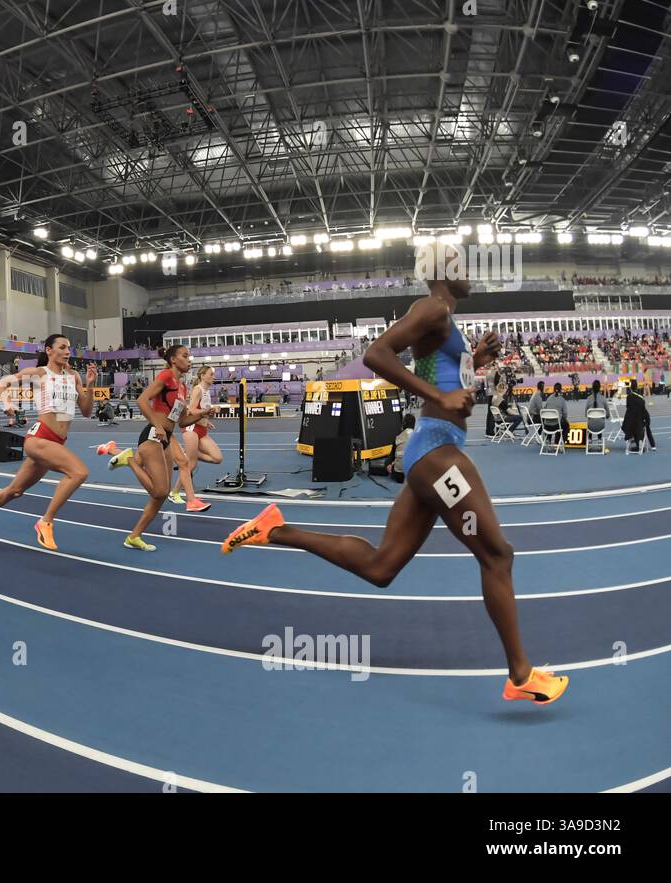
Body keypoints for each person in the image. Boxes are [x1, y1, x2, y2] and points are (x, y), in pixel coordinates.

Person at [220, 243, 568, 705]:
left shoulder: (445, 318)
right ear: (445, 271)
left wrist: (475, 363)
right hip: (437, 451)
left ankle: (275, 530)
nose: (473, 276)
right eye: (465, 267)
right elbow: (378, 355)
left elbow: (439, 371)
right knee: (497, 556)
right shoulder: (431, 308)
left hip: (433, 450)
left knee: (382, 568)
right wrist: (441, 399)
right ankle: (521, 674)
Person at [0, 334, 97, 551]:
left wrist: (91, 385)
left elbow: (87, 411)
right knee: (78, 472)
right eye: (62, 347)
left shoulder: (74, 377)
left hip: (56, 443)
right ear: (49, 351)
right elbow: (2, 385)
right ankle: (45, 522)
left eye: (69, 347)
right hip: (40, 439)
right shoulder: (38, 374)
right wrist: (6, 402)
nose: (67, 351)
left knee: (15, 491)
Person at [106, 344, 202, 551]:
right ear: (173, 360)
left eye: (189, 356)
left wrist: (204, 413)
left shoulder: (183, 387)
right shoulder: (166, 376)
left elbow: (183, 421)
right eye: (185, 356)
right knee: (159, 491)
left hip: (166, 437)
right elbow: (141, 400)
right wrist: (157, 424)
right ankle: (129, 459)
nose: (189, 359)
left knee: (162, 494)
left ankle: (134, 537)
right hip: (152, 434)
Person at [169, 364, 221, 512]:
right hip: (191, 429)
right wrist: (208, 410)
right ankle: (174, 493)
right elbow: (191, 410)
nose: (213, 377)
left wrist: (206, 420)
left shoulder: (207, 390)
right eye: (211, 374)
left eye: (213, 374)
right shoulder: (198, 389)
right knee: (191, 465)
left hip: (202, 429)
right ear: (202, 376)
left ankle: (187, 455)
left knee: (217, 458)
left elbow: (199, 411)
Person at [621, 382, 656, 452]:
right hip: (640, 418)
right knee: (646, 424)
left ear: (630, 388)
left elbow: (628, 407)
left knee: (636, 422)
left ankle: (638, 441)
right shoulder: (641, 398)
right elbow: (643, 409)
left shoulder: (629, 397)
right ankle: (652, 445)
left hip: (632, 420)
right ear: (637, 387)